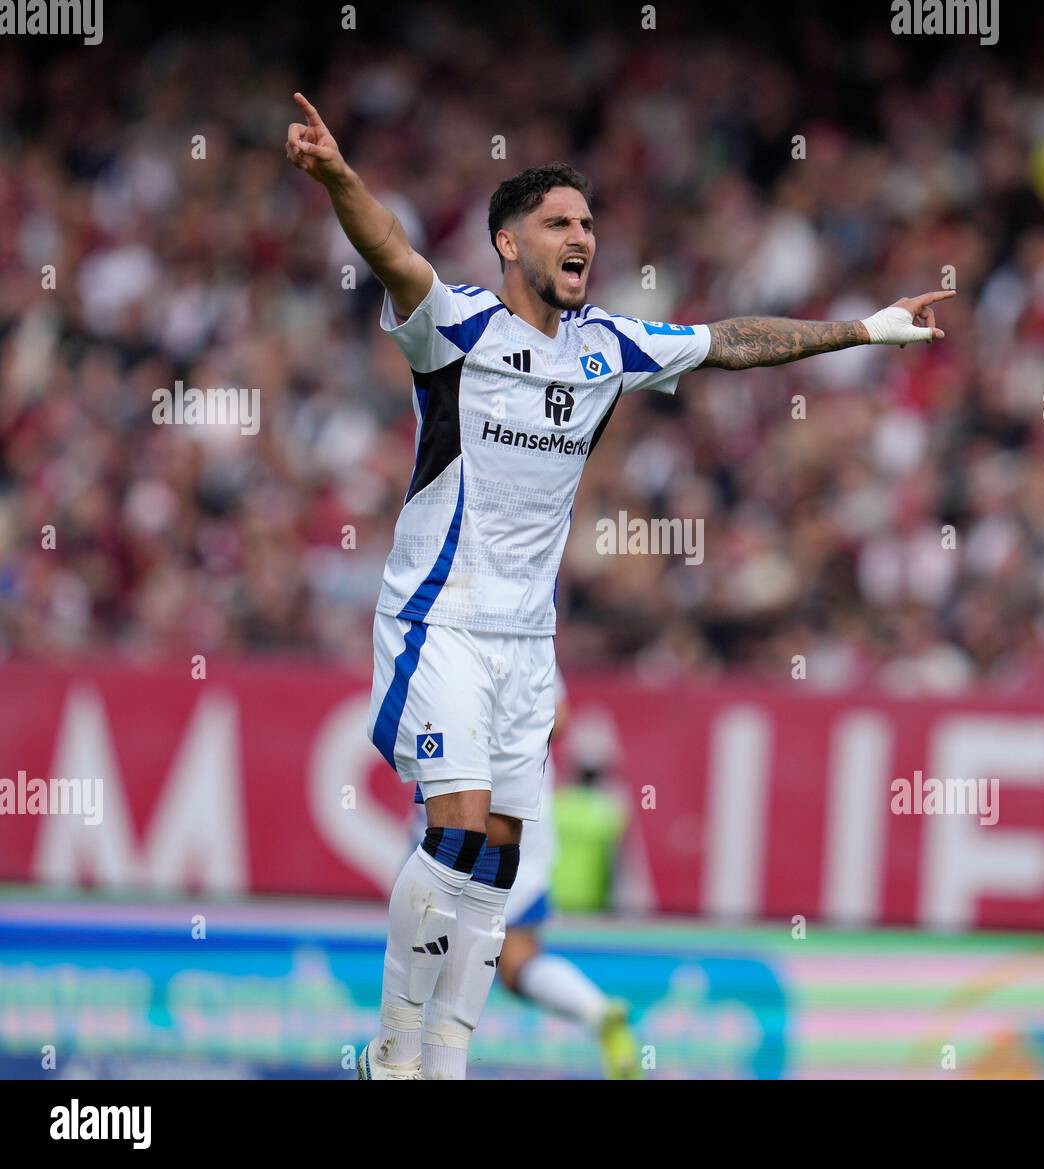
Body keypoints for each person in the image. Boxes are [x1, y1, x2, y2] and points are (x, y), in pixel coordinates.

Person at [284, 90, 952, 1080]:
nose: (580, 237)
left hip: (526, 642)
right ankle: (391, 1049)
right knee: (456, 823)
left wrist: (863, 328)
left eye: (588, 223)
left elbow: (729, 338)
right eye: (558, 221)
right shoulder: (456, 329)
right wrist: (339, 178)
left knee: (498, 862)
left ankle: (444, 1058)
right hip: (440, 616)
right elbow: (393, 252)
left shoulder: (607, 349)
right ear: (508, 242)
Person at [410, 671, 640, 1078]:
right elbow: (561, 715)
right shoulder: (530, 630)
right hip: (525, 824)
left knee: (439, 963)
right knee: (515, 959)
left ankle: (427, 1067)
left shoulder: (446, 634)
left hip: (463, 814)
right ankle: (596, 1010)